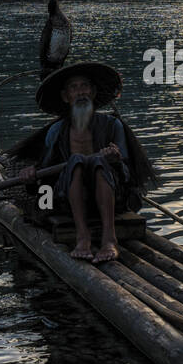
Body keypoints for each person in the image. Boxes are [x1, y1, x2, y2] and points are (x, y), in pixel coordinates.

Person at [14, 62, 154, 263]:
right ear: (65, 97)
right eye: (74, 87)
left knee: (98, 162)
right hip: (68, 202)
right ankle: (83, 236)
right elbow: (46, 175)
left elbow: (127, 175)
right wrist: (30, 178)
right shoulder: (56, 132)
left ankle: (109, 240)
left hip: (112, 197)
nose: (80, 92)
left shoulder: (113, 126)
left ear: (93, 92)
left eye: (85, 86)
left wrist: (114, 161)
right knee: (76, 160)